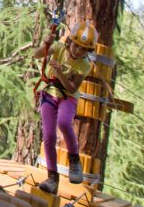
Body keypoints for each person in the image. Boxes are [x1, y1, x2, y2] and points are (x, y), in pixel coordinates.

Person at [32, 22, 97, 193]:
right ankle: (52, 178)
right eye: (76, 46)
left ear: (88, 51)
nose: (79, 51)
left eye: (84, 49)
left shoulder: (84, 65)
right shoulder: (59, 48)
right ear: (70, 41)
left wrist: (60, 72)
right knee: (49, 135)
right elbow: (36, 54)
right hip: (49, 94)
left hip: (68, 97)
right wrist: (46, 44)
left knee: (63, 122)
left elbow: (72, 88)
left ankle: (74, 160)